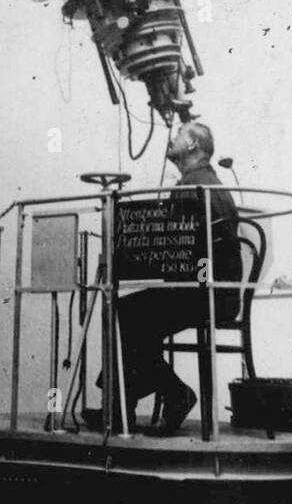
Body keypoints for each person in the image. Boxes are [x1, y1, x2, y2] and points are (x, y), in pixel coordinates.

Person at [84, 120, 242, 436]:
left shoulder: (191, 187)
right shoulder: (207, 183)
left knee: (126, 312)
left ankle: (169, 395)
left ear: (194, 145)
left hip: (202, 294)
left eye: (179, 136)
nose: (171, 139)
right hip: (214, 293)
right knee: (141, 315)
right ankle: (121, 405)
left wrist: (130, 246)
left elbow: (173, 248)